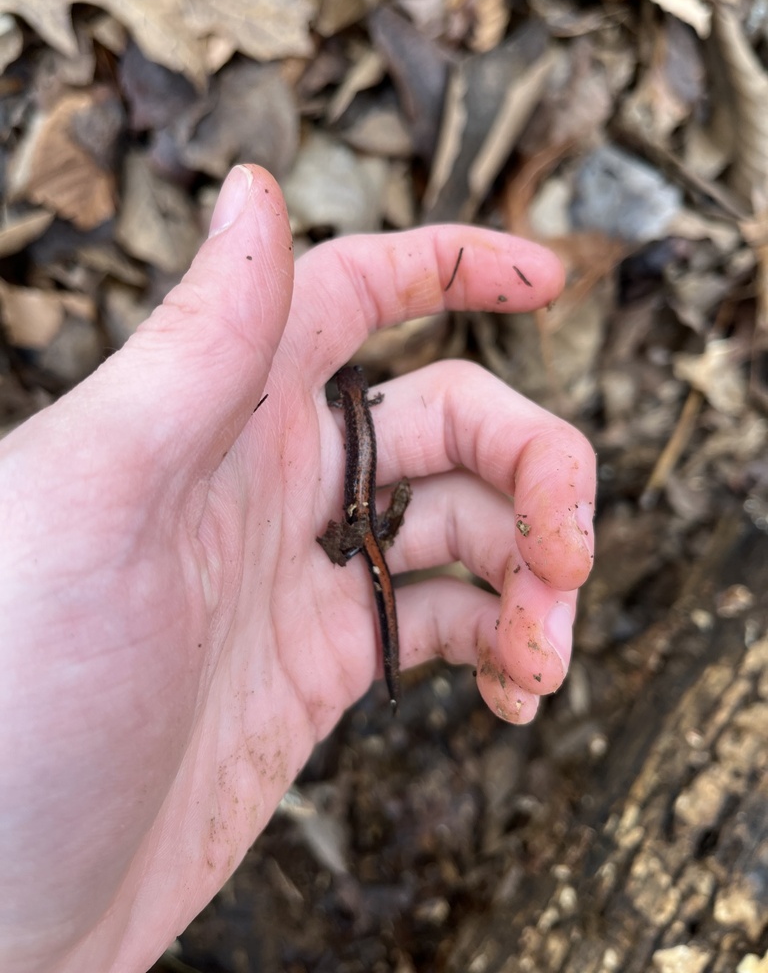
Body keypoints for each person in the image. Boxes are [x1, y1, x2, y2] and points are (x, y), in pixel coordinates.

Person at [0, 165, 595, 973]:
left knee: (374, 545)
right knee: (372, 544)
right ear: (356, 394)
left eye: (352, 389)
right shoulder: (357, 418)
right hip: (357, 520)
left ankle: (384, 646)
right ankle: (383, 644)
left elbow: (361, 432)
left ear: (348, 395)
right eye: (356, 388)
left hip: (359, 522)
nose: (357, 389)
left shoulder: (357, 417)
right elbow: (360, 431)